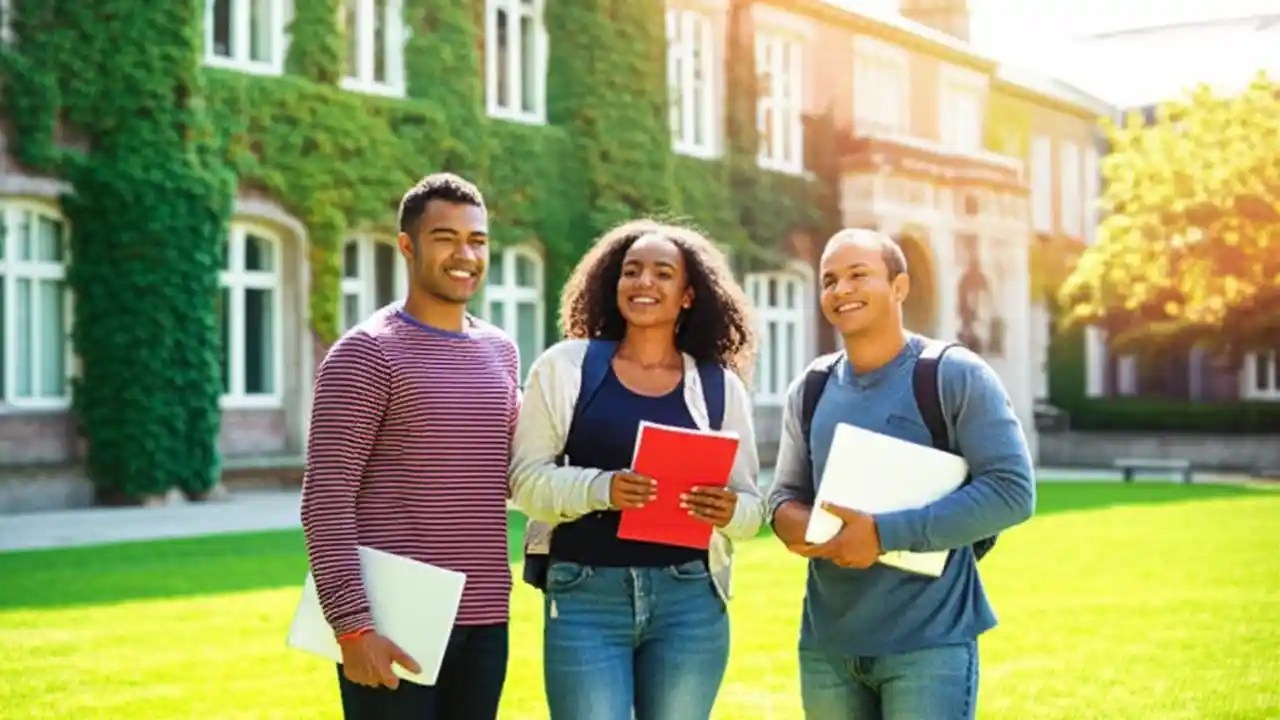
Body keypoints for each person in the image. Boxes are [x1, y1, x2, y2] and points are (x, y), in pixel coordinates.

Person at [766, 228, 1035, 720]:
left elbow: (1012, 491)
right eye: (829, 280)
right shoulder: (810, 387)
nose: (841, 290)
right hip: (828, 647)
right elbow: (783, 495)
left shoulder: (955, 375)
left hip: (929, 645)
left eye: (857, 275)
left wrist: (883, 534)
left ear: (899, 287)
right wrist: (796, 523)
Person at [509, 219, 765, 720]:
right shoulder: (567, 368)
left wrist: (728, 509)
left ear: (688, 295)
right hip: (586, 598)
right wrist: (604, 488)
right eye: (632, 271)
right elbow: (525, 482)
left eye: (662, 273)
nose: (644, 282)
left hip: (689, 601)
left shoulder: (719, 388)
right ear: (615, 284)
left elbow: (753, 510)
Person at [300, 173, 519, 720]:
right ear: (407, 245)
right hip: (393, 621)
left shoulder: (501, 352)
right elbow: (325, 502)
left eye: (477, 240)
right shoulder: (366, 354)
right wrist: (352, 627)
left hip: (488, 617)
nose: (465, 254)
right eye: (445, 238)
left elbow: (513, 473)